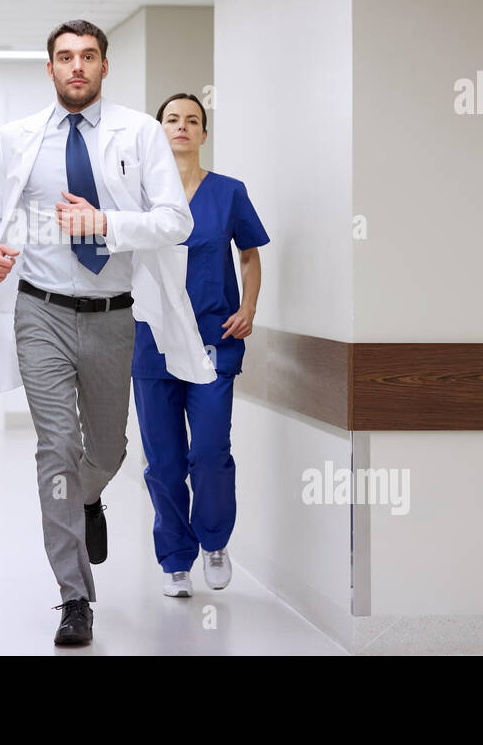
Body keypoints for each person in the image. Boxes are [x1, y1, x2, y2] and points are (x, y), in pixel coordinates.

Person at [0, 20, 216, 647]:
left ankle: (88, 497)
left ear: (104, 67)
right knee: (54, 448)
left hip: (114, 312)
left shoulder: (141, 134)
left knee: (109, 450)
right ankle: (74, 596)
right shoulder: (18, 139)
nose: (77, 67)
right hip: (39, 310)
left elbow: (175, 221)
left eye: (88, 57)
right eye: (65, 57)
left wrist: (106, 223)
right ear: (50, 68)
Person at [132, 93, 269, 598]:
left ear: (204, 133)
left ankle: (214, 540)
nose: (182, 126)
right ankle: (175, 558)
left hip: (214, 339)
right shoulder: (141, 196)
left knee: (210, 451)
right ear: (158, 130)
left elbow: (250, 256)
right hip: (152, 342)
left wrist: (249, 307)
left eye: (193, 120)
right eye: (172, 119)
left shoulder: (229, 193)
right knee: (163, 459)